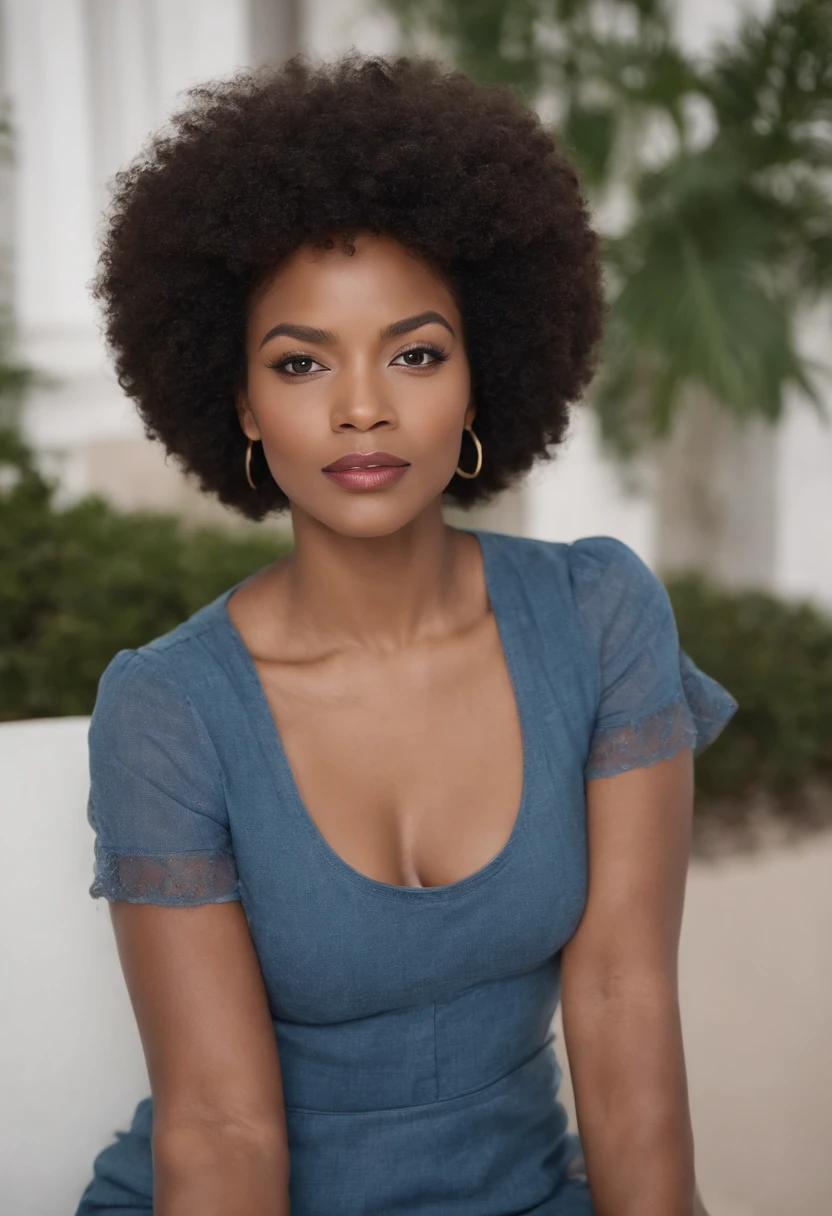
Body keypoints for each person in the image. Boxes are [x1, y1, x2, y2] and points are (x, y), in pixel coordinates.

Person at [75, 52, 737, 1216]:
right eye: (299, 362)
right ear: (238, 400)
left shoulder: (599, 616)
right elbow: (222, 1126)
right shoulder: (170, 709)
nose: (361, 406)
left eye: (415, 352)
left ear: (480, 379)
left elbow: (624, 1005)